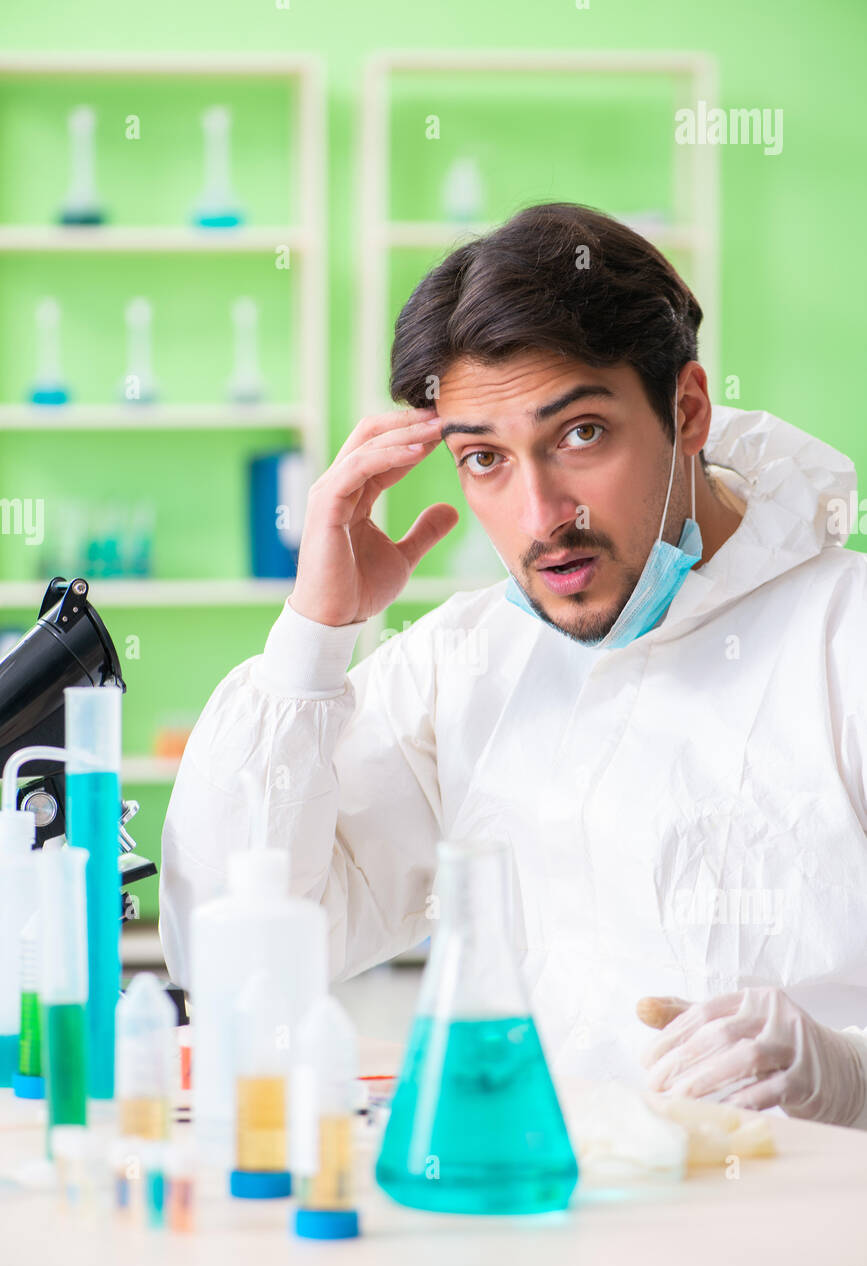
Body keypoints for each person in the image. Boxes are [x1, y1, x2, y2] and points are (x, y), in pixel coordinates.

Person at [160, 203, 867, 1128]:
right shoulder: (466, 662)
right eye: (485, 458)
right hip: (545, 1240)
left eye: (579, 435)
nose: (539, 517)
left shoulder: (841, 642)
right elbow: (232, 945)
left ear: (685, 409)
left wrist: (847, 1077)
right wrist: (314, 632)